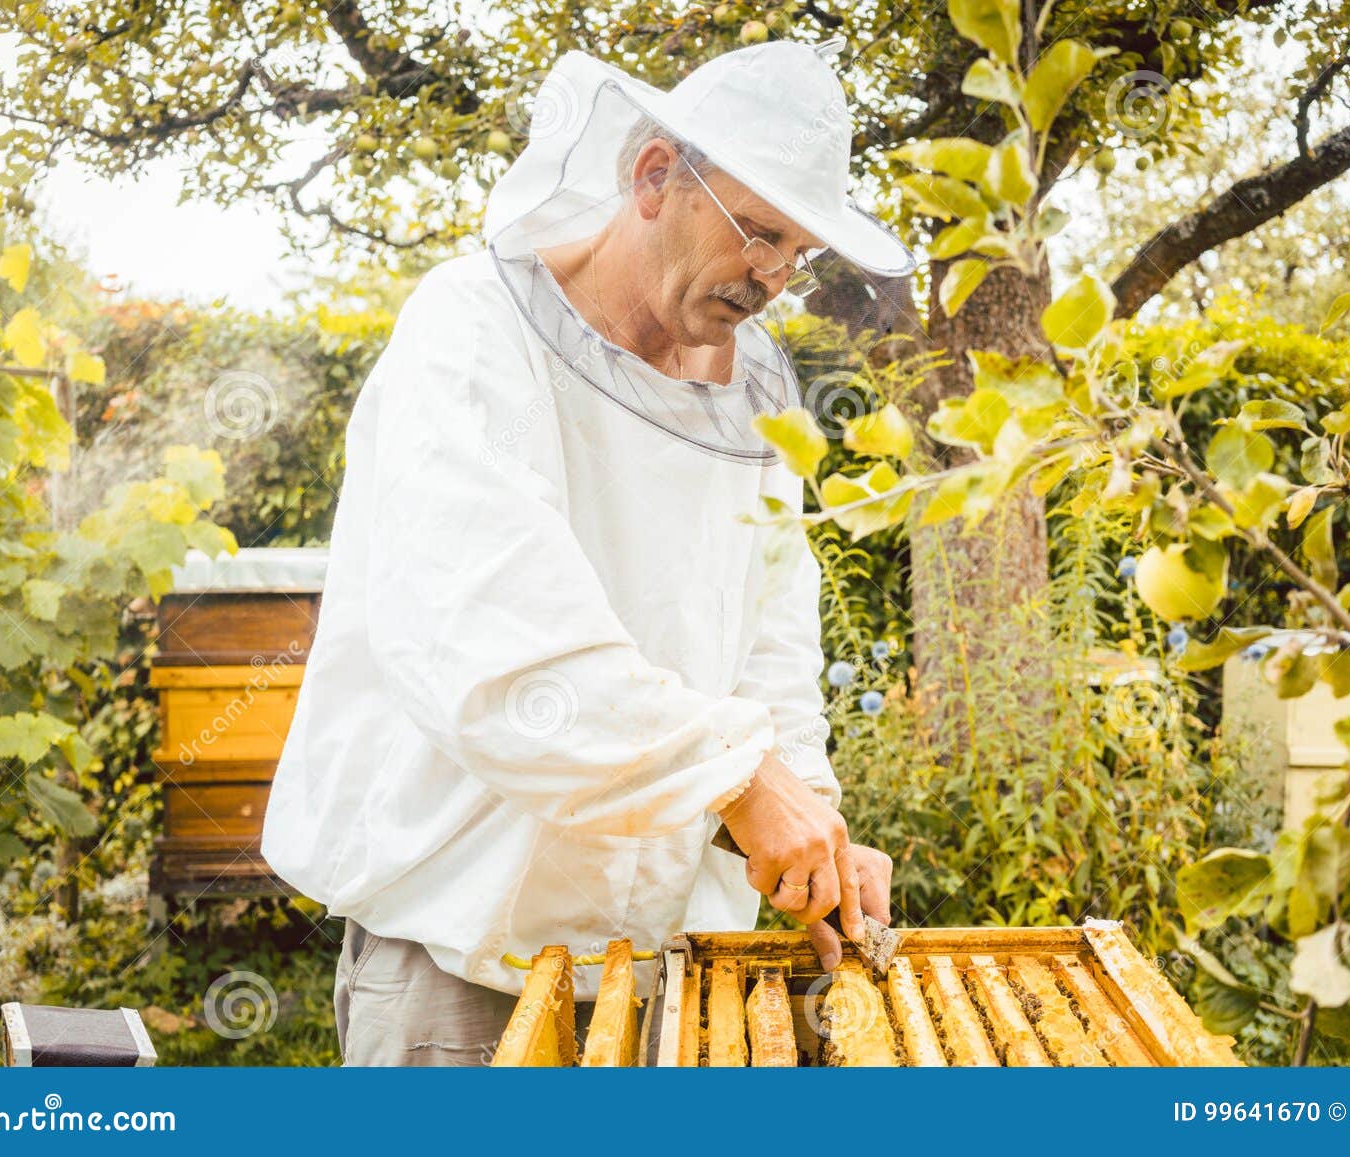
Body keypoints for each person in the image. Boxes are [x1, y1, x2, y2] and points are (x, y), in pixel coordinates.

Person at [261, 36, 916, 1067]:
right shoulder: (471, 333)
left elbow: (771, 648)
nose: (774, 276)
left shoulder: (754, 396)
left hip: (674, 968)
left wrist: (807, 827)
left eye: (799, 251)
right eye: (758, 232)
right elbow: (498, 648)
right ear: (654, 174)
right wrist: (742, 782)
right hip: (467, 967)